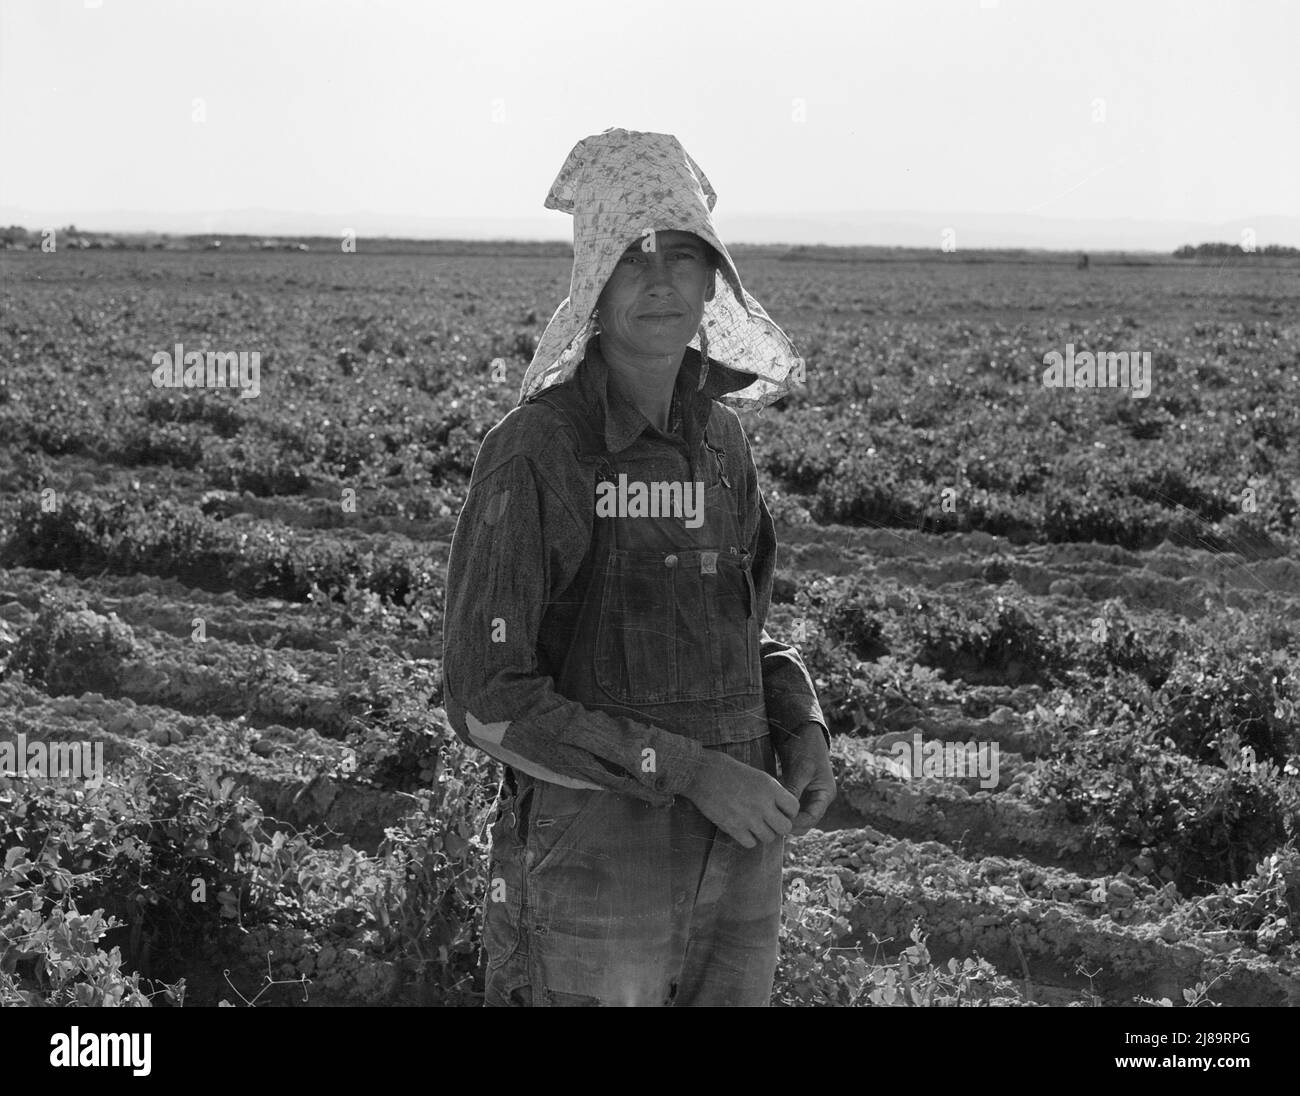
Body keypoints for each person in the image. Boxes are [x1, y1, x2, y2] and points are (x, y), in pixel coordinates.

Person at [442, 128, 835, 1007]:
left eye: (685, 258)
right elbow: (485, 698)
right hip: (598, 870)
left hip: (739, 860)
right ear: (595, 282)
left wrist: (798, 720)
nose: (663, 282)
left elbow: (743, 634)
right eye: (635, 260)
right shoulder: (539, 452)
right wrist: (691, 771)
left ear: (712, 281)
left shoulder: (723, 442)